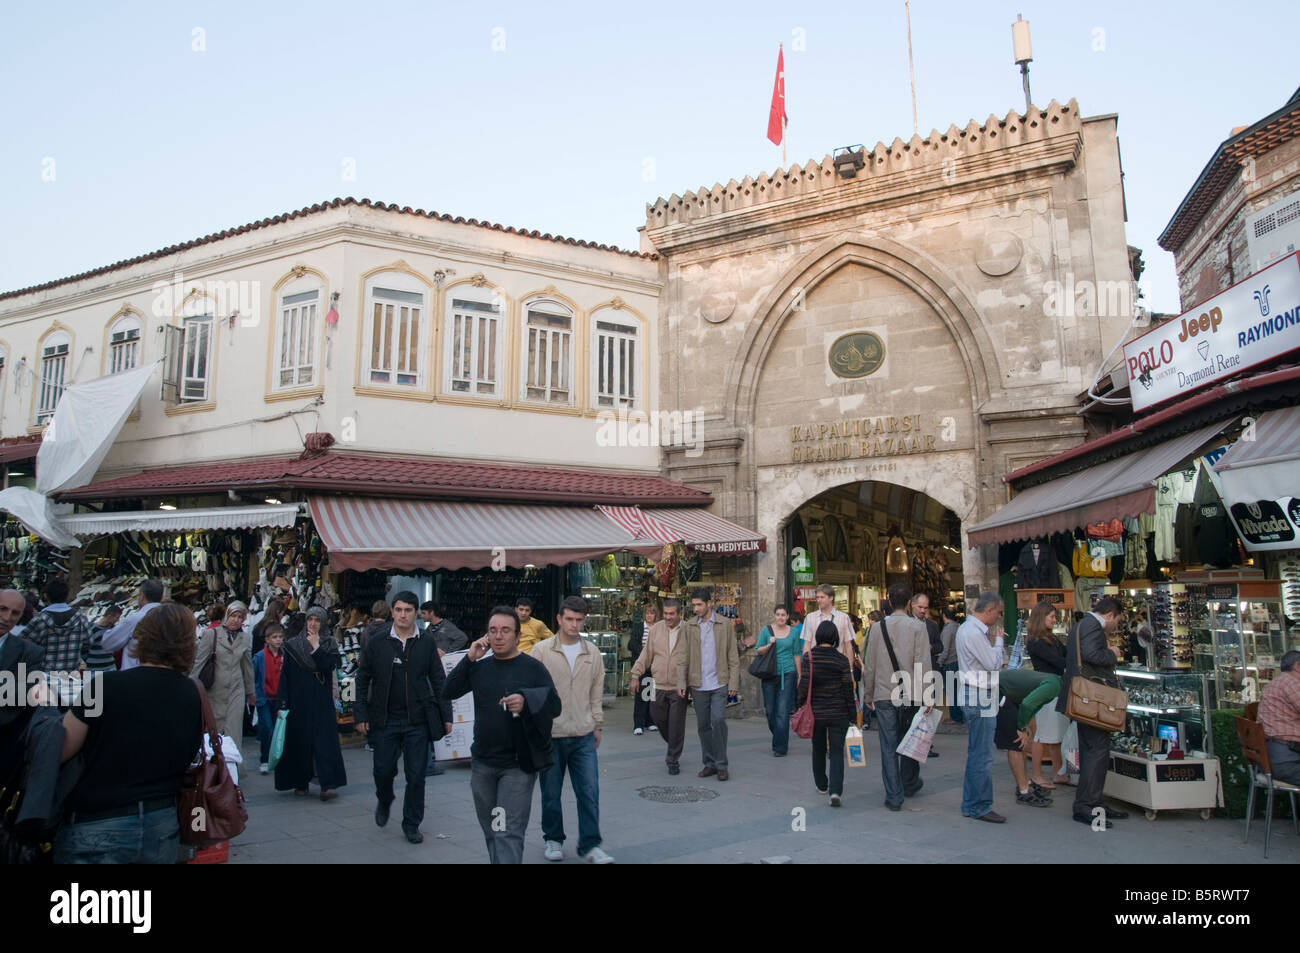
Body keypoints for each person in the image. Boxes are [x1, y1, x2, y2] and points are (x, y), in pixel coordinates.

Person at [54, 602, 203, 864]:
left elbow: (62, 747)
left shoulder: (105, 686)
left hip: (98, 820)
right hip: (161, 821)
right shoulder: (192, 692)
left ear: (142, 637)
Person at [444, 606, 561, 864]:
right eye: (493, 631)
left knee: (507, 832)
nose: (498, 636)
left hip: (517, 766)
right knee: (493, 831)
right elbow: (448, 691)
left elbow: (555, 705)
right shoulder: (479, 668)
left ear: (518, 636)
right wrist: (470, 658)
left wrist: (526, 700)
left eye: (505, 630)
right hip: (483, 764)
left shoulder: (533, 668)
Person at [355, 592, 451, 842]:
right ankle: (384, 799)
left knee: (417, 775)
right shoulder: (378, 642)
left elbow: (439, 680)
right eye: (398, 610)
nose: (403, 615)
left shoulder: (426, 642)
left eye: (408, 610)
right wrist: (361, 712)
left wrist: (446, 715)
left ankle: (411, 823)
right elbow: (363, 677)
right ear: (392, 611)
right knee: (383, 770)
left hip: (417, 719)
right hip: (384, 718)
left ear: (416, 613)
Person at [532, 596, 614, 864]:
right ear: (559, 619)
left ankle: (590, 844)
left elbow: (596, 693)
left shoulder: (592, 653)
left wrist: (597, 724)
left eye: (579, 620)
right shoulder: (542, 651)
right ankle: (553, 839)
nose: (574, 624)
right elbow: (533, 692)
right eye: (569, 619)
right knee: (551, 792)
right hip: (551, 734)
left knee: (589, 791)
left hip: (583, 733)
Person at [1057, 595, 1128, 828]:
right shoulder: (1092, 626)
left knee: (1093, 750)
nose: (1116, 625)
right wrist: (1113, 653)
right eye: (1117, 620)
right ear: (1110, 615)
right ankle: (1087, 805)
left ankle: (1094, 802)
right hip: (1092, 698)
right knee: (1096, 751)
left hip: (1085, 698)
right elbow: (1091, 655)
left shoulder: (1081, 625)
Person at [862, 583, 933, 811]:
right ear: (910, 603)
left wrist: (868, 694)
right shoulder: (917, 627)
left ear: (889, 602)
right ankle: (909, 781)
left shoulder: (876, 628)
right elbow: (923, 662)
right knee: (910, 739)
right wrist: (928, 695)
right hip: (910, 693)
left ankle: (894, 795)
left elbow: (870, 664)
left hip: (884, 693)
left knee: (888, 744)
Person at [275, 606, 348, 801]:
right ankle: (300, 781)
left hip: (321, 699)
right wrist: (282, 703)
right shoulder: (292, 645)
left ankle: (328, 784)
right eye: (310, 620)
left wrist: (317, 648)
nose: (313, 624)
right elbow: (286, 677)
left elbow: (328, 666)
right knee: (300, 739)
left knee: (324, 741)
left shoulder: (329, 643)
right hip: (299, 698)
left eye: (317, 620)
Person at [676, 588, 740, 781]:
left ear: (709, 603)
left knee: (718, 720)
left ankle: (722, 764)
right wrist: (681, 681)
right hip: (697, 683)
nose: (696, 608)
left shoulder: (724, 623)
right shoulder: (689, 626)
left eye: (699, 605)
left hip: (719, 681)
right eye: (694, 605)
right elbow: (682, 656)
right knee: (703, 725)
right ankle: (709, 763)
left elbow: (733, 656)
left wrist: (733, 683)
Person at [957, 591, 1008, 823]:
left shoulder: (968, 629)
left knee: (976, 751)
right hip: (979, 694)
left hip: (974, 692)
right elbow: (993, 663)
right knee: (983, 755)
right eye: (998, 612)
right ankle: (979, 805)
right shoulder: (974, 633)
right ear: (988, 610)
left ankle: (971, 803)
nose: (999, 617)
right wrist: (999, 642)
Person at [798, 621, 857, 806]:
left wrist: (798, 704)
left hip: (816, 713)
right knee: (837, 752)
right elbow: (849, 689)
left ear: (818, 636)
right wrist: (853, 715)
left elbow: (804, 685)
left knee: (818, 749)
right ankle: (836, 791)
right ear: (835, 638)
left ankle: (822, 784)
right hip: (838, 712)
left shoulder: (809, 658)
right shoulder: (841, 660)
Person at [630, 598, 688, 774]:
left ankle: (672, 759)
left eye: (672, 614)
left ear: (679, 614)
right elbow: (646, 654)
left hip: (679, 685)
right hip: (657, 682)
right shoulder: (656, 629)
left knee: (676, 723)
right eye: (666, 614)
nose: (668, 617)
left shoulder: (688, 630)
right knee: (657, 716)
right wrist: (635, 674)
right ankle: (672, 741)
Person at [191, 601, 255, 753]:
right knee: (214, 728)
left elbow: (247, 666)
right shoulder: (211, 634)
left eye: (240, 617)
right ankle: (213, 764)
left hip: (236, 689)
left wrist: (250, 691)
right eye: (233, 616)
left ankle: (233, 767)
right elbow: (200, 662)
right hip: (214, 689)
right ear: (227, 616)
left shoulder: (245, 638)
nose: (236, 620)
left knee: (233, 729)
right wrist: (192, 686)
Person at [994, 668, 1063, 808]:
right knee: (1016, 742)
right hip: (999, 692)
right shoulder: (1054, 686)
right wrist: (1021, 728)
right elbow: (1028, 704)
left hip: (1007, 693)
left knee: (1022, 743)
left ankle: (1025, 783)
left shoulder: (1055, 680)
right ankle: (1023, 791)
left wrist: (1027, 725)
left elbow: (1034, 704)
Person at [1024, 601, 1069, 789]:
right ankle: (1037, 774)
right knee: (1042, 734)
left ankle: (1059, 772)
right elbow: (1058, 661)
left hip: (1055, 687)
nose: (1054, 619)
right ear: (1042, 618)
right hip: (1047, 688)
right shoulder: (1037, 641)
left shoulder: (1050, 638)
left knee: (1055, 733)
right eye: (1051, 616)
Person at [0, 589, 43, 780]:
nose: (7, 617)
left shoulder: (30, 653)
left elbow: (26, 694)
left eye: (15, 613)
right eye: (2, 609)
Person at [22, 578, 96, 678]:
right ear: (66, 595)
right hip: (71, 676)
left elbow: (24, 646)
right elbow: (89, 643)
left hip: (44, 676)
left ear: (45, 596)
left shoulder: (39, 620)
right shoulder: (81, 618)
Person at [755, 605, 802, 757]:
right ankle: (779, 736)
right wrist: (769, 644)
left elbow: (796, 654)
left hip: (787, 673)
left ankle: (780, 747)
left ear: (788, 616)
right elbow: (758, 649)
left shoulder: (794, 632)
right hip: (769, 673)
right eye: (778, 614)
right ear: (774, 616)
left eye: (783, 614)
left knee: (782, 711)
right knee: (770, 711)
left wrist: (799, 674)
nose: (780, 617)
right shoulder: (766, 630)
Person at [1258, 650, 1300, 787]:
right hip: (1286, 762)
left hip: (1271, 760)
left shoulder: (1273, 684)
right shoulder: (1292, 683)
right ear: (1298, 666)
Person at [909, 593, 943, 758]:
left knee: (929, 709)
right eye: (920, 607)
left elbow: (940, 646)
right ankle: (913, 741)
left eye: (925, 608)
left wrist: (931, 647)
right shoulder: (906, 624)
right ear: (912, 605)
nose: (923, 611)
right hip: (912, 673)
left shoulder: (932, 625)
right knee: (915, 708)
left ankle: (926, 744)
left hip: (930, 671)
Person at [252, 622, 286, 775]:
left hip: (278, 698)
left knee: (276, 729)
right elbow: (254, 677)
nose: (278, 640)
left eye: (280, 637)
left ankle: (274, 758)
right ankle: (265, 758)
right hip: (264, 697)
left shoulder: (284, 656)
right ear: (267, 639)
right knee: (267, 728)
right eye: (274, 637)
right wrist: (253, 694)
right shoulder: (259, 657)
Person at [801, 584, 854, 658]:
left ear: (831, 598)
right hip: (816, 663)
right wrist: (806, 665)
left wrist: (850, 668)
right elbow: (807, 644)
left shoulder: (844, 617)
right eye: (817, 597)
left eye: (822, 597)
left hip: (836, 663)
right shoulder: (809, 617)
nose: (819, 600)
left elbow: (848, 645)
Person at [629, 603, 658, 735]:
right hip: (641, 665)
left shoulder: (658, 628)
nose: (649, 616)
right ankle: (638, 724)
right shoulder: (638, 627)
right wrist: (645, 653)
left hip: (654, 666)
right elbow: (632, 644)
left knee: (651, 694)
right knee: (641, 694)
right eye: (647, 613)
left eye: (651, 613)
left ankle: (650, 721)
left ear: (655, 615)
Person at [936, 606, 962, 724]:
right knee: (956, 691)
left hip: (950, 663)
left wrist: (939, 663)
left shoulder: (948, 629)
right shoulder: (958, 627)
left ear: (944, 616)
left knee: (952, 692)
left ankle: (955, 717)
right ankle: (957, 715)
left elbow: (945, 650)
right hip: (956, 662)